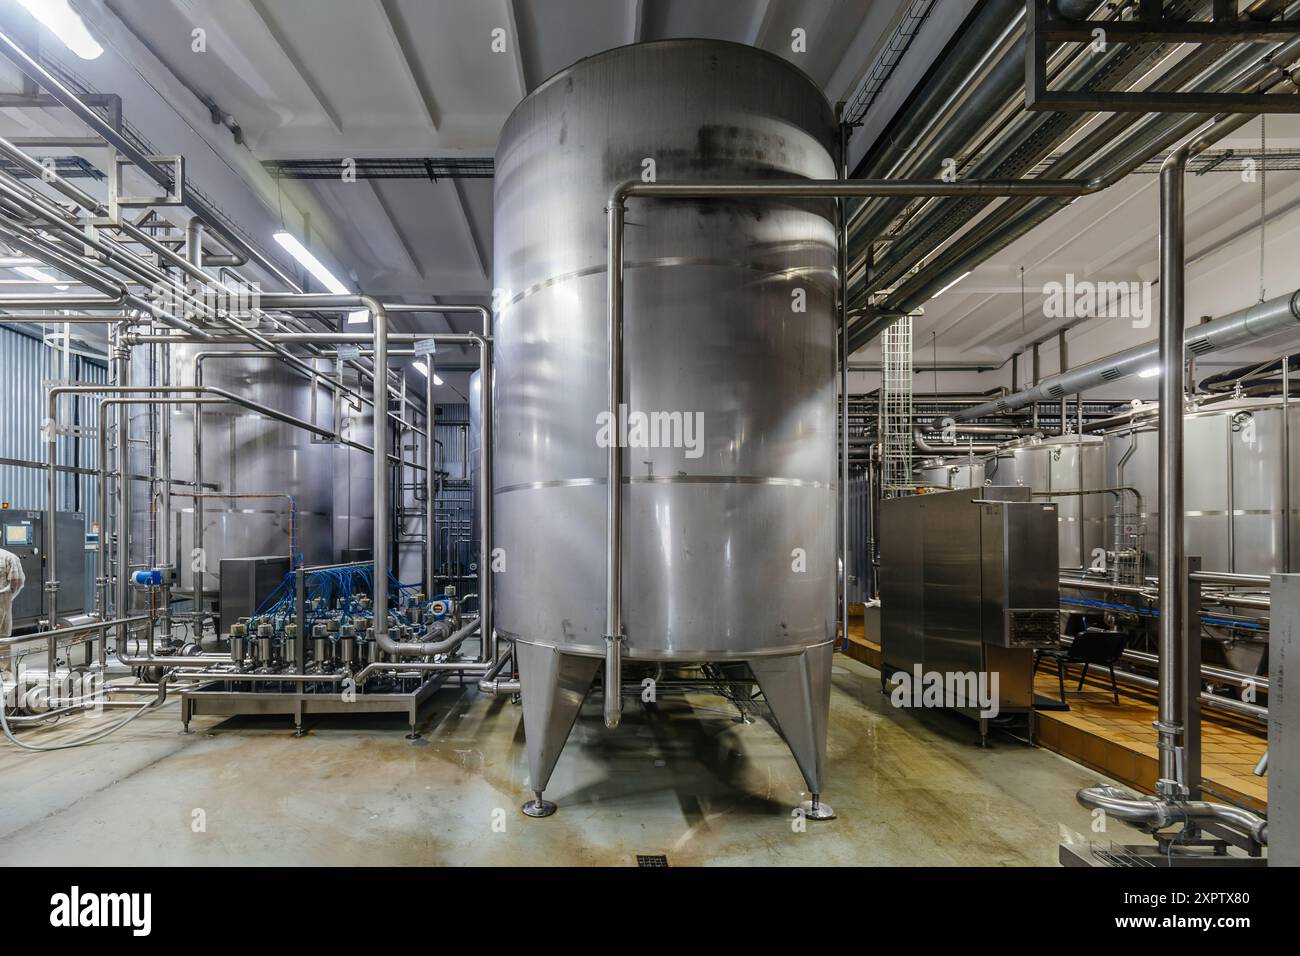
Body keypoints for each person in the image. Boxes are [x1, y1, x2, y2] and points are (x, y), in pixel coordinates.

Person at [0, 547, 26, 639]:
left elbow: (16, 582)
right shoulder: (9, 557)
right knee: (3, 639)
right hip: (3, 603)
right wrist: (7, 597)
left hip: (3, 604)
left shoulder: (8, 557)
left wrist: (7, 597)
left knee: (2, 638)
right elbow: (18, 582)